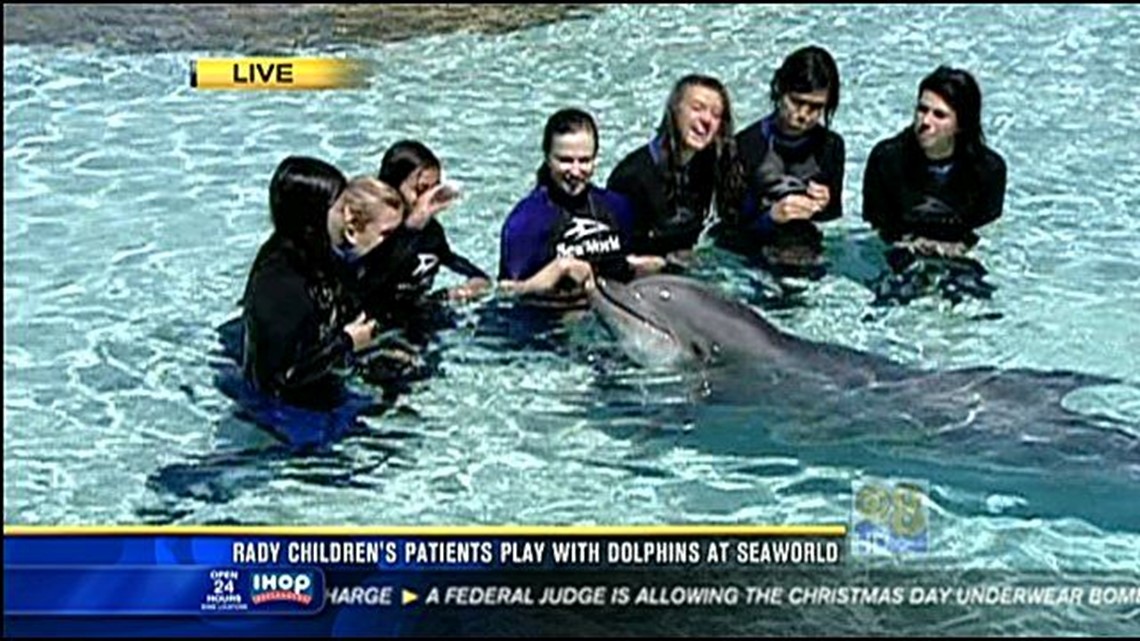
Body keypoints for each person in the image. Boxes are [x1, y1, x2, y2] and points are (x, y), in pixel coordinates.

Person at [241, 157, 380, 411]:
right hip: (280, 408)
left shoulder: (317, 252)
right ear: (314, 217)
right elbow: (279, 377)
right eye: (342, 209)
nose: (350, 216)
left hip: (321, 378)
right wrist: (345, 343)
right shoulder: (281, 283)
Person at [499, 107, 661, 307]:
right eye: (565, 160)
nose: (575, 171)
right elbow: (504, 293)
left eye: (584, 160)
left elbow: (629, 263)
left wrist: (644, 266)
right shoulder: (525, 222)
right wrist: (556, 271)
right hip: (549, 325)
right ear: (547, 158)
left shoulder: (618, 208)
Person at [711, 45, 845, 272]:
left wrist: (824, 203)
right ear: (780, 91)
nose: (803, 114)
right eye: (796, 101)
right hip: (749, 254)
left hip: (803, 251)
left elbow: (830, 215)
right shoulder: (744, 146)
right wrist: (771, 217)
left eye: (815, 107)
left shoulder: (831, 146)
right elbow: (727, 226)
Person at [863, 65, 1006, 258]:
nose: (925, 121)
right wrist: (908, 243)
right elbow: (876, 226)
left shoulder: (988, 170)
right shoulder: (886, 159)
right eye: (922, 110)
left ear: (961, 124)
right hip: (900, 253)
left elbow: (988, 232)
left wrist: (957, 249)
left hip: (960, 257)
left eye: (939, 115)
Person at [607, 74, 745, 266]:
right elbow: (612, 248)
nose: (707, 120)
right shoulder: (632, 177)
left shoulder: (711, 165)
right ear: (674, 110)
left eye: (716, 114)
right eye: (697, 108)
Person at [376, 140, 491, 304]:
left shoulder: (431, 231)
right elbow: (371, 282)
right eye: (421, 189)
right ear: (391, 188)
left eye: (435, 189)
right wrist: (411, 228)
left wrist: (470, 285)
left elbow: (453, 261)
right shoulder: (374, 231)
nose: (429, 199)